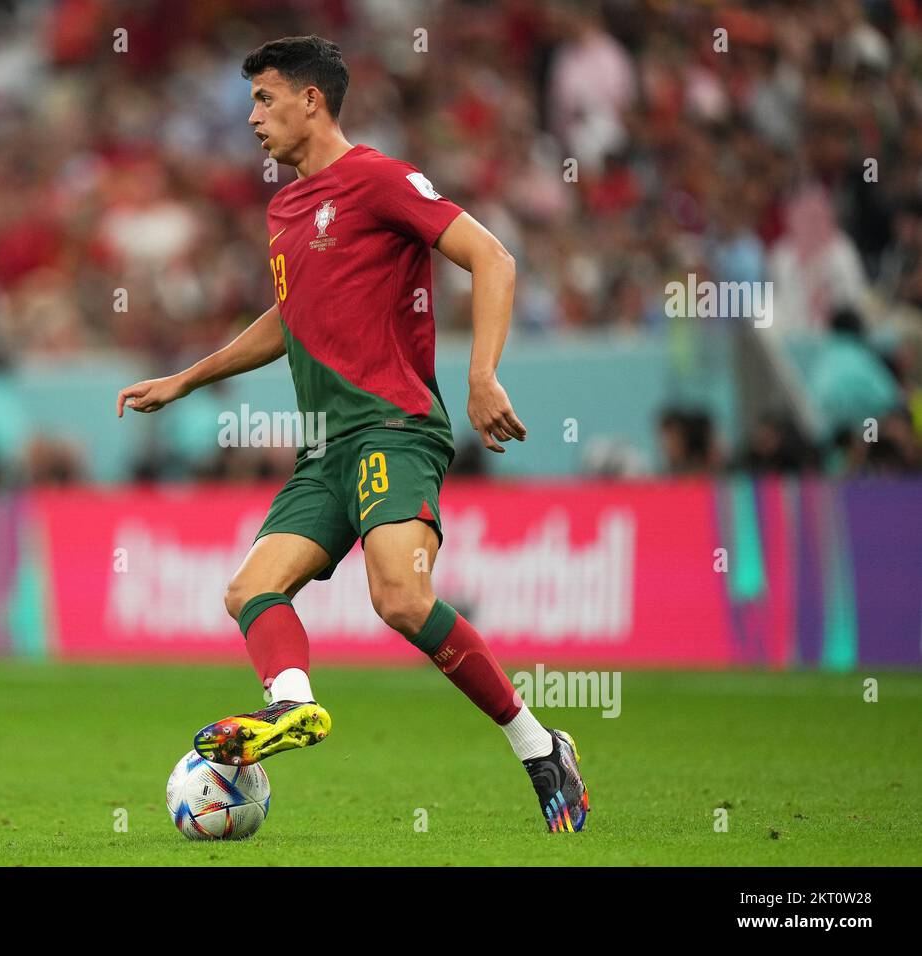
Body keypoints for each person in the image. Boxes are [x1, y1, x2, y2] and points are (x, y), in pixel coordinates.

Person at [117, 36, 588, 832]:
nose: (252, 117)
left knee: (401, 600)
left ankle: (540, 746)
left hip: (394, 429)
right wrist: (188, 377)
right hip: (326, 448)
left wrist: (482, 375)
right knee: (249, 590)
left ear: (312, 100)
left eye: (265, 99)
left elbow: (493, 256)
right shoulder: (284, 208)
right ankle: (291, 707)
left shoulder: (377, 180)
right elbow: (289, 317)